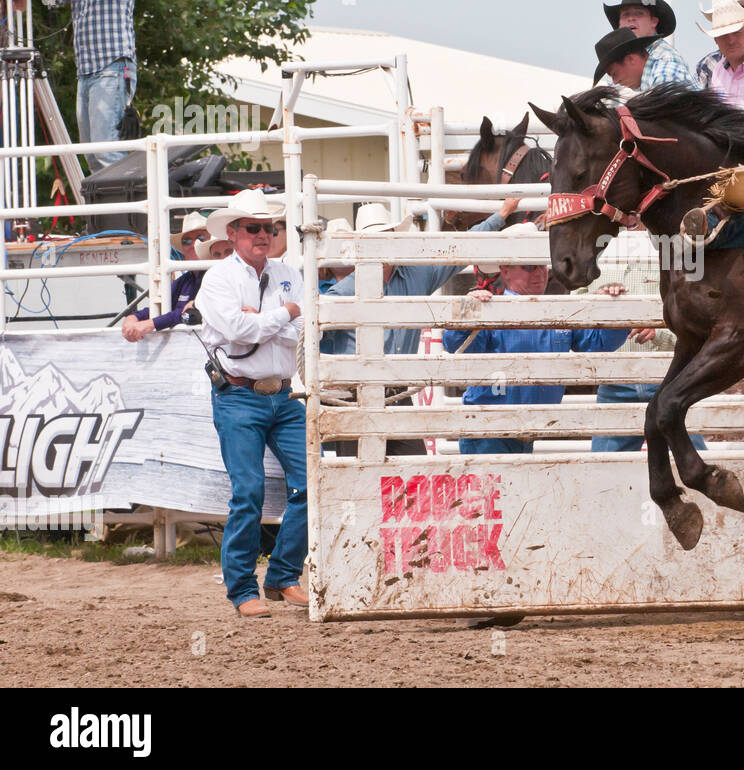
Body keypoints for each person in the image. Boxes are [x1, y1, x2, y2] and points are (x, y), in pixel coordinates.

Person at [321, 199, 519, 456]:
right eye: (375, 238)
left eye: (386, 236)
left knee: (410, 475)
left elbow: (458, 251)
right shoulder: (345, 291)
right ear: (361, 245)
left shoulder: (412, 275)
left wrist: (501, 214)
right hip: (358, 397)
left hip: (396, 393)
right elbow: (316, 334)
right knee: (361, 478)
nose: (381, 243)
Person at [193, 189, 306, 619]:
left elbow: (297, 327)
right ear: (235, 233)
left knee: (309, 482)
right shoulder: (220, 278)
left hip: (281, 391)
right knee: (249, 492)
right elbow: (241, 331)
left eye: (269, 229)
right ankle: (243, 588)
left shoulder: (287, 273)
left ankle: (280, 575)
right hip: (239, 394)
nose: (264, 235)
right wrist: (283, 314)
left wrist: (261, 323)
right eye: (255, 228)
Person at [443, 223, 628, 454]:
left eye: (541, 266)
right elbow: (456, 345)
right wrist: (467, 312)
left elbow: (597, 343)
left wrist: (615, 312)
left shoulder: (557, 312)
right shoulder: (489, 308)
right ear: (505, 270)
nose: (539, 273)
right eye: (529, 266)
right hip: (489, 429)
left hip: (521, 428)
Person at [576, 229, 706, 454]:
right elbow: (575, 309)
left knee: (692, 459)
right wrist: (596, 300)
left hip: (667, 377)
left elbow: (698, 316)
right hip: (616, 381)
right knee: (604, 469)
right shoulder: (598, 246)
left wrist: (660, 331)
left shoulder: (674, 248)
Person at [39, 0, 140, 173]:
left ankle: (125, 211)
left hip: (112, 67)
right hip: (86, 74)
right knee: (93, 157)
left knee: (108, 152)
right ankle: (111, 211)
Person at [122, 211, 209, 342]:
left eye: (201, 238)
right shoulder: (185, 280)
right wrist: (133, 318)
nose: (193, 244)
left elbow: (193, 314)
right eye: (186, 240)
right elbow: (162, 307)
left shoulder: (216, 276)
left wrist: (151, 324)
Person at [602, 0, 697, 88]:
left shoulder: (667, 58)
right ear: (619, 25)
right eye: (626, 15)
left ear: (654, 22)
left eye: (639, 13)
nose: (631, 18)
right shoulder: (618, 65)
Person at [592, 27, 657, 91]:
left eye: (614, 74)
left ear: (630, 59)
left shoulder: (661, 77)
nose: (615, 82)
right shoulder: (651, 82)